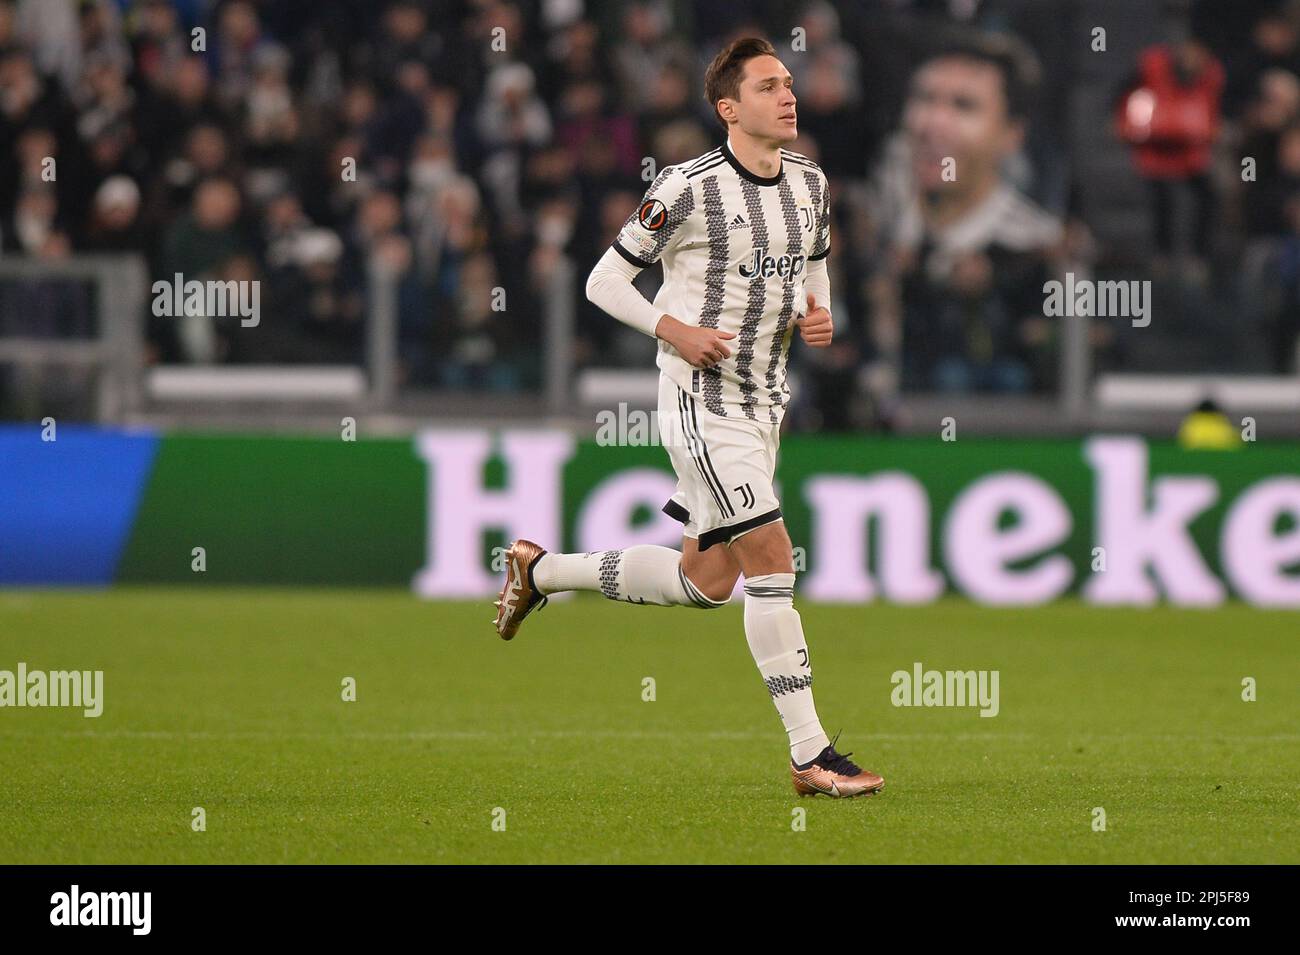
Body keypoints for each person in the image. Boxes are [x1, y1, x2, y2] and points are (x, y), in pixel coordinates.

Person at [491, 36, 883, 799]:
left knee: (704, 581)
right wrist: (673, 328)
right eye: (769, 86)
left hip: (767, 403)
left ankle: (539, 572)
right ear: (729, 109)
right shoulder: (687, 187)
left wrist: (820, 309)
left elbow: (814, 260)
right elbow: (604, 280)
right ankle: (811, 753)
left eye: (790, 83)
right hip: (700, 401)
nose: (788, 96)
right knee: (773, 558)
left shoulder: (810, 181)